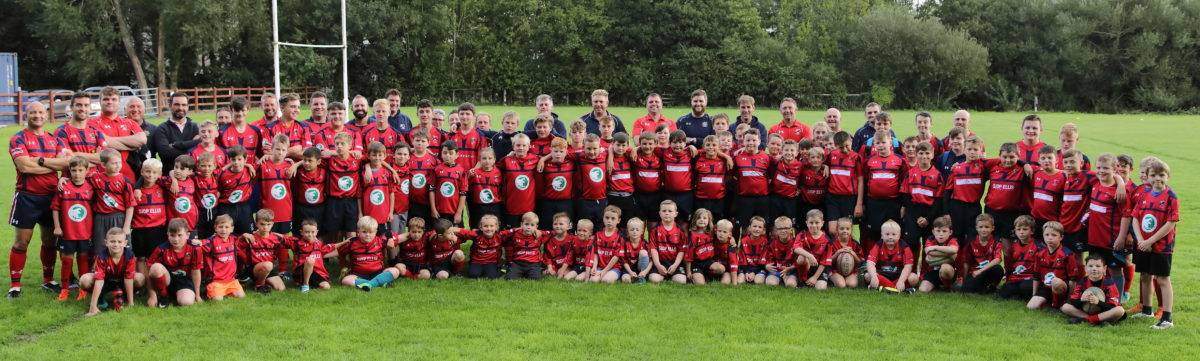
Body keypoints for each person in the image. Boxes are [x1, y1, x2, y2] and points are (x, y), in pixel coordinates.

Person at [1125, 158, 1176, 329]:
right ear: (1147, 176)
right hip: (1143, 243)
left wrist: (1150, 241)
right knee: (1145, 275)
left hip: (1161, 246)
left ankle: (1167, 318)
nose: (1157, 178)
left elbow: (1171, 223)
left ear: (1168, 176)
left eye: (1161, 175)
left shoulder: (1171, 196)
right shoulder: (1144, 194)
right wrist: (1140, 240)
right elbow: (1135, 218)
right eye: (1153, 175)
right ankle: (1147, 310)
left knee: (1162, 279)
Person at [51, 156, 94, 301]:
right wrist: (57, 226)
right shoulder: (63, 187)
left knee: (83, 259)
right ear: (69, 170)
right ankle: (64, 289)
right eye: (73, 170)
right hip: (68, 232)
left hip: (84, 232)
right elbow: (55, 208)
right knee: (67, 260)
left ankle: (83, 289)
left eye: (80, 170)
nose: (77, 173)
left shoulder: (91, 187)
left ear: (87, 171)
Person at [859, 131, 906, 253]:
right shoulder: (868, 161)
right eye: (877, 143)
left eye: (883, 142)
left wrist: (903, 204)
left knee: (892, 232)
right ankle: (872, 259)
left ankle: (893, 259)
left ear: (890, 142)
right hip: (874, 202)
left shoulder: (900, 161)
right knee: (873, 231)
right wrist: (862, 203)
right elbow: (864, 181)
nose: (880, 145)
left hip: (893, 202)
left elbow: (904, 184)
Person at [81, 228, 143, 316]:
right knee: (84, 280)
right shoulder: (102, 256)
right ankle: (101, 297)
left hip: (122, 281)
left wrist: (131, 304)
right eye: (112, 241)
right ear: (106, 242)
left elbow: (128, 278)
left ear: (125, 243)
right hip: (106, 282)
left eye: (119, 242)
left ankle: (123, 296)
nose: (116, 244)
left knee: (140, 278)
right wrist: (92, 307)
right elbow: (99, 280)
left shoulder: (129, 255)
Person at [90, 87, 147, 180]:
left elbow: (142, 140)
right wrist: (131, 146)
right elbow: (105, 142)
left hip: (128, 177)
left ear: (119, 102)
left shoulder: (129, 122)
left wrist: (109, 140)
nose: (110, 102)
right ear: (100, 102)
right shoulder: (92, 123)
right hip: (102, 178)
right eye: (106, 99)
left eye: (114, 99)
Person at [147, 218, 203, 307]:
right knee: (155, 267)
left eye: (180, 235)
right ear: (168, 235)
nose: (176, 239)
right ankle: (163, 296)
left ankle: (178, 296)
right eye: (172, 235)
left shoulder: (195, 248)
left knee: (186, 302)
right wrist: (152, 296)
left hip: (184, 282)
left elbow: (196, 272)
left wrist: (197, 295)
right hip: (167, 281)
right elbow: (150, 272)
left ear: (187, 235)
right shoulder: (161, 249)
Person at [130, 158, 169, 279]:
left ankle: (158, 284)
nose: (150, 175)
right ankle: (144, 283)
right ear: (141, 172)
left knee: (157, 258)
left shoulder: (163, 187)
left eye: (154, 172)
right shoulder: (135, 190)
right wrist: (137, 187)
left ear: (159, 174)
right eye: (147, 171)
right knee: (141, 258)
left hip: (157, 229)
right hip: (139, 230)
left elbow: (172, 177)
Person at [338, 216, 401, 291]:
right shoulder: (351, 243)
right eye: (364, 232)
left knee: (395, 271)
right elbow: (338, 251)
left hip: (378, 273)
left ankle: (369, 284)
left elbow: (400, 238)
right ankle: (379, 283)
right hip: (358, 275)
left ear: (375, 232)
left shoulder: (380, 241)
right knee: (346, 280)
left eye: (370, 232)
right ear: (358, 232)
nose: (367, 235)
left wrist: (392, 239)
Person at [900, 142, 941, 255]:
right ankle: (911, 271)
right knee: (911, 244)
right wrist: (917, 216)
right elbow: (906, 196)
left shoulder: (937, 175)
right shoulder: (910, 173)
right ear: (916, 155)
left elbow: (938, 200)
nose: (924, 156)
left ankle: (924, 272)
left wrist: (928, 218)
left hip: (930, 213)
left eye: (927, 153)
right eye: (921, 153)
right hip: (913, 212)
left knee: (929, 247)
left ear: (932, 155)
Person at [1061, 254, 1126, 326]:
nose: (1094, 269)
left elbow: (1113, 306)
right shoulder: (1082, 282)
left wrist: (1098, 302)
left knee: (1120, 310)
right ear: (1085, 268)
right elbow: (1073, 300)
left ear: (1104, 268)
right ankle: (1097, 320)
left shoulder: (1109, 283)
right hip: (1086, 311)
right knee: (1065, 307)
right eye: (1090, 266)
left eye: (1098, 266)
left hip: (1104, 312)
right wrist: (1081, 300)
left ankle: (1087, 319)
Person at [324, 133, 363, 242]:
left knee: (351, 232)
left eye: (342, 144)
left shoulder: (357, 159)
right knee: (334, 232)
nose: (339, 146)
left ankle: (352, 256)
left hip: (351, 201)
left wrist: (368, 167)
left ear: (350, 145)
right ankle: (335, 257)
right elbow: (314, 155)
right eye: (337, 144)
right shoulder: (330, 159)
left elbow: (373, 159)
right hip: (334, 201)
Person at [239, 209, 287, 293]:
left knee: (281, 288)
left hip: (269, 268)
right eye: (262, 224)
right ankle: (259, 285)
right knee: (268, 265)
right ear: (256, 223)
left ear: (272, 224)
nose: (265, 227)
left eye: (268, 224)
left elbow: (291, 244)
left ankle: (262, 280)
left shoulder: (275, 238)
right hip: (254, 268)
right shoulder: (250, 237)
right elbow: (237, 248)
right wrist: (242, 237)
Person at [152, 92, 200, 172]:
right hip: (170, 175)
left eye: (184, 105)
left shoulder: (196, 127)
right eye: (177, 104)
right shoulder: (162, 128)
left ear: (188, 107)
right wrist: (193, 144)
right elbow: (165, 153)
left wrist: (175, 145)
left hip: (192, 176)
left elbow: (202, 150)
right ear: (170, 106)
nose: (181, 108)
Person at [733, 129, 771, 230]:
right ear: (743, 142)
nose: (751, 143)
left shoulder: (766, 157)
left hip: (762, 199)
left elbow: (771, 176)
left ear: (759, 141)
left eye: (754, 140)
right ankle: (740, 245)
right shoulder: (737, 157)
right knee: (743, 227)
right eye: (748, 140)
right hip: (744, 199)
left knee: (763, 227)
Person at [56, 93, 108, 165]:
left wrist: (75, 154)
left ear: (90, 108)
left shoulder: (96, 131)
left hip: (96, 176)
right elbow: (65, 160)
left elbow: (104, 158)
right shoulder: (62, 131)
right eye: (79, 105)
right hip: (72, 176)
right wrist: (94, 157)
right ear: (71, 107)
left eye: (86, 105)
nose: (83, 109)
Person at [865, 220, 916, 292]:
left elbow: (908, 266)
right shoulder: (878, 245)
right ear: (882, 235)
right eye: (887, 234)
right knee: (868, 276)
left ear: (899, 235)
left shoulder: (904, 247)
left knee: (913, 278)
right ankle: (896, 289)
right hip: (882, 274)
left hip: (898, 275)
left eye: (894, 234)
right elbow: (870, 262)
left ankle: (884, 288)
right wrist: (874, 277)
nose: (890, 237)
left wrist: (901, 281)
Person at [535, 138, 575, 229]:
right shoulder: (544, 165)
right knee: (547, 227)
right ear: (550, 150)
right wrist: (543, 159)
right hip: (548, 202)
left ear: (566, 151)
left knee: (566, 229)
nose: (558, 154)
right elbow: (540, 185)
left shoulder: (571, 163)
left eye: (561, 151)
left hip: (566, 202)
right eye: (555, 151)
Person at [214, 146, 255, 235]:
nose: (236, 162)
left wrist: (293, 164)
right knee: (226, 236)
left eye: (239, 159)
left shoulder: (249, 170)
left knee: (248, 235)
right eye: (233, 159)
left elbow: (267, 161)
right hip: (226, 208)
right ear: (229, 160)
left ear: (245, 159)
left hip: (244, 207)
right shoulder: (222, 175)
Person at [999, 215, 1040, 300]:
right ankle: (1019, 295)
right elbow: (1009, 265)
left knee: (1025, 287)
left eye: (1025, 229)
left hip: (1030, 278)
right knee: (1004, 292)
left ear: (1032, 231)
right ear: (1015, 231)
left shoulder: (1038, 246)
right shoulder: (1013, 246)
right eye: (1018, 229)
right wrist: (1008, 278)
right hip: (1016, 277)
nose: (1021, 232)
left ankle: (1025, 295)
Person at [961, 214, 1004, 294]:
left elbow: (998, 259)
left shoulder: (996, 242)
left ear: (992, 228)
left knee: (998, 269)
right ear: (976, 228)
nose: (984, 230)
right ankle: (984, 288)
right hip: (975, 273)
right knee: (966, 289)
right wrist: (964, 279)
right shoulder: (971, 242)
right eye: (981, 227)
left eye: (987, 227)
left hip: (987, 271)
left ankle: (992, 286)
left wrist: (981, 271)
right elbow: (966, 262)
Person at [648, 200, 687, 284]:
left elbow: (681, 251)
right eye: (664, 211)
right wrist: (658, 265)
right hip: (660, 262)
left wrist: (675, 265)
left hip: (675, 263)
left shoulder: (680, 231)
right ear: (659, 213)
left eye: (670, 211)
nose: (667, 213)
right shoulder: (654, 230)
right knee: (653, 279)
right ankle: (663, 275)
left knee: (681, 281)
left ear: (675, 214)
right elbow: (653, 249)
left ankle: (670, 275)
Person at [430, 141, 467, 225]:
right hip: (439, 211)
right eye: (445, 153)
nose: (447, 155)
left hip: (454, 212)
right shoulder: (437, 169)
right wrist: (433, 209)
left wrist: (458, 213)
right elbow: (431, 190)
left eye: (451, 153)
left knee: (455, 236)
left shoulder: (461, 171)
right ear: (441, 154)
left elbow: (463, 193)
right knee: (440, 236)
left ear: (457, 155)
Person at [918, 216, 958, 293]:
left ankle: (948, 285)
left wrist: (935, 247)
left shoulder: (952, 240)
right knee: (923, 290)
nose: (941, 234)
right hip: (933, 271)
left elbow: (954, 249)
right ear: (933, 231)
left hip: (948, 271)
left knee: (945, 268)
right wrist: (948, 255)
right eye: (938, 231)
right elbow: (929, 252)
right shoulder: (930, 239)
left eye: (944, 231)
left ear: (950, 232)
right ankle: (937, 285)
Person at [460, 214, 505, 279]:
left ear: (496, 227)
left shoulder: (500, 236)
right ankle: (467, 268)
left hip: (491, 262)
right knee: (473, 275)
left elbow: (512, 233)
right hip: (477, 262)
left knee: (491, 277)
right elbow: (463, 232)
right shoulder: (476, 235)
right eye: (485, 226)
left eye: (491, 226)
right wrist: (452, 230)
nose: (489, 229)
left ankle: (500, 269)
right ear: (481, 227)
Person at [505, 212, 548, 280]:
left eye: (532, 225)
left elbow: (552, 233)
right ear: (521, 224)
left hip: (533, 263)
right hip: (518, 263)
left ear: (536, 227)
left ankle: (537, 271)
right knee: (510, 278)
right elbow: (501, 234)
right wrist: (513, 230)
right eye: (526, 224)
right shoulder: (515, 233)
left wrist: (539, 232)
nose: (529, 227)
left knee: (536, 279)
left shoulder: (539, 235)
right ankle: (516, 271)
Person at [591, 207, 626, 284]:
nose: (609, 221)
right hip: (600, 267)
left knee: (606, 281)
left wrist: (605, 271)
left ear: (618, 220)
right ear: (603, 218)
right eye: (607, 218)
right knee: (593, 280)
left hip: (614, 268)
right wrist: (594, 267)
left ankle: (615, 276)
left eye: (613, 218)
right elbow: (596, 253)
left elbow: (616, 257)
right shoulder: (598, 234)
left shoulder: (620, 237)